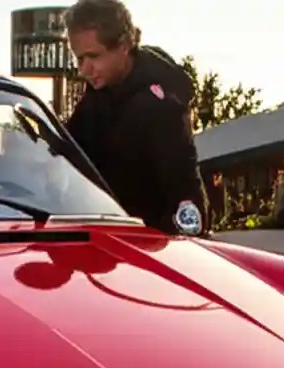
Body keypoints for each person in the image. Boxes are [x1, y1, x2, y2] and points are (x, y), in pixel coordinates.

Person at [61, 0, 208, 235]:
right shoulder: (95, 101)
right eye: (80, 59)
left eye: (93, 57)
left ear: (124, 46)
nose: (84, 70)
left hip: (150, 244)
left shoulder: (160, 106)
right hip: (103, 237)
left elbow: (184, 188)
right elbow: (63, 157)